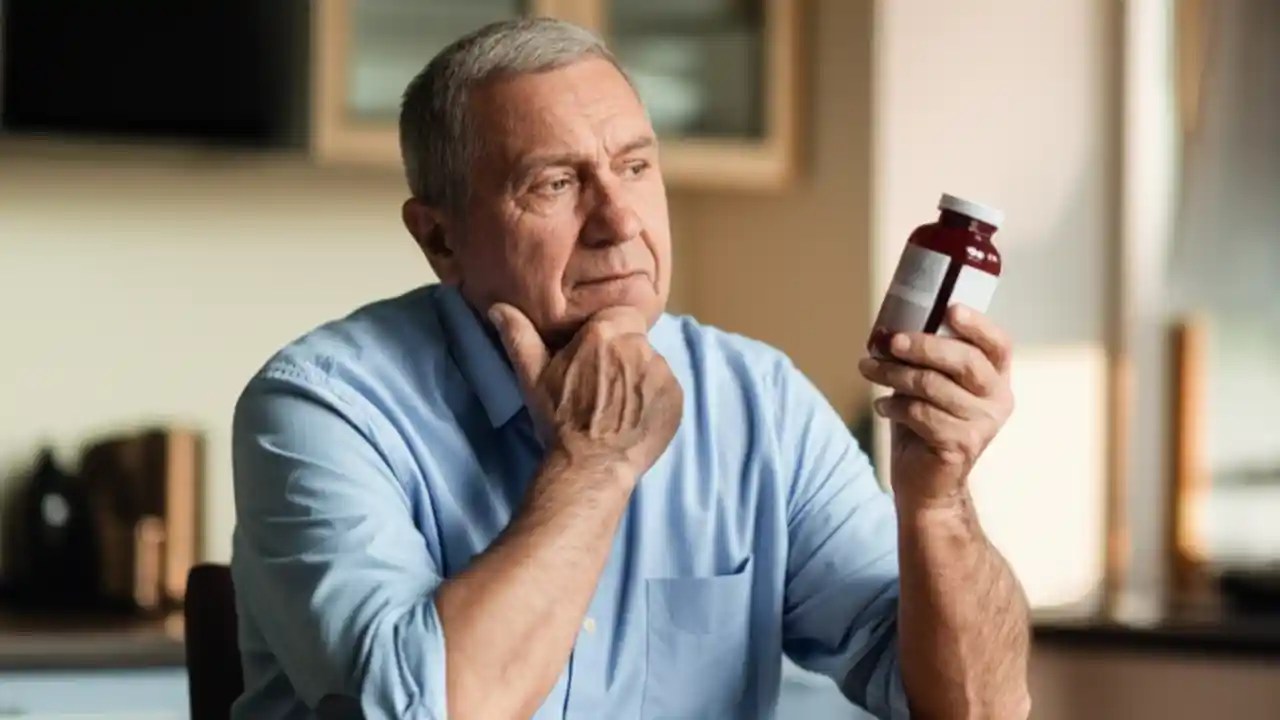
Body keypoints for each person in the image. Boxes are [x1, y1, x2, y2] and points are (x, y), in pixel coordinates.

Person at [229, 17, 1030, 720]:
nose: (619, 223)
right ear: (440, 239)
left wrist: (938, 502)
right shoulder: (321, 406)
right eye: (556, 183)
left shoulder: (759, 402)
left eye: (637, 168)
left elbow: (979, 710)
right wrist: (595, 464)